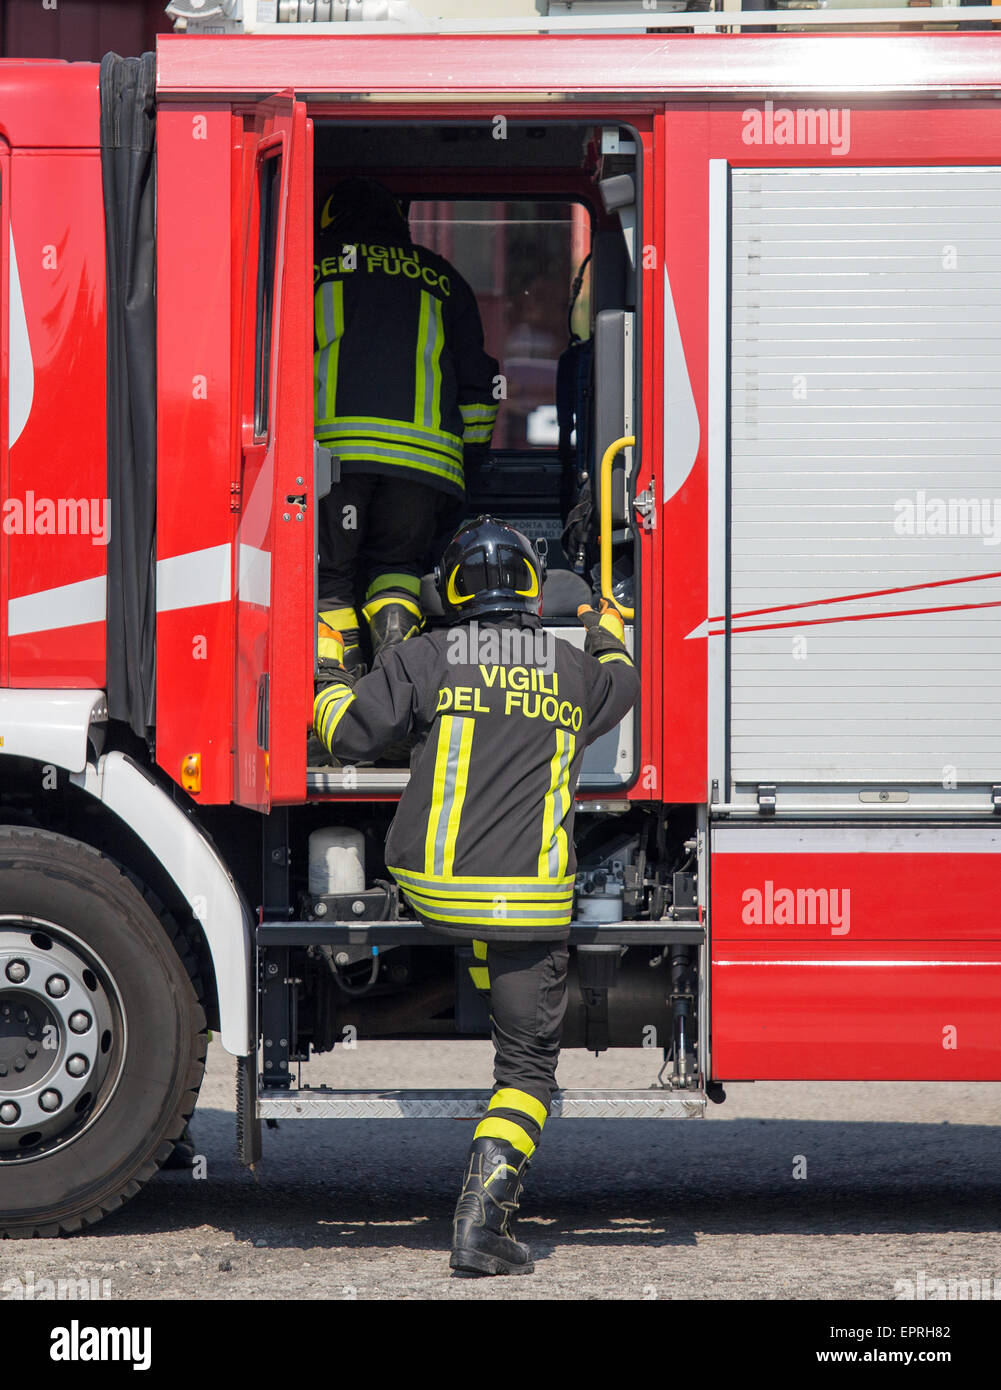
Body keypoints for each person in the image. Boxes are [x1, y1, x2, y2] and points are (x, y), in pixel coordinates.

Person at [312, 516, 640, 1276]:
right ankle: (481, 1224)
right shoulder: (576, 673)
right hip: (526, 906)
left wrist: (328, 670)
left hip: (431, 890)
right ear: (530, 586)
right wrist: (605, 622)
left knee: (466, 917)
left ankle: (461, 977)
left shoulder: (428, 654)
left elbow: (350, 736)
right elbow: (623, 675)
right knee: (526, 1071)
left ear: (451, 590)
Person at [314, 178, 499, 676]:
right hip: (423, 471)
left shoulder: (312, 270)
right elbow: (479, 390)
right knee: (396, 575)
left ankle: (338, 702)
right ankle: (394, 694)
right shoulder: (443, 277)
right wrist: (470, 465)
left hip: (333, 463)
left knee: (329, 578)